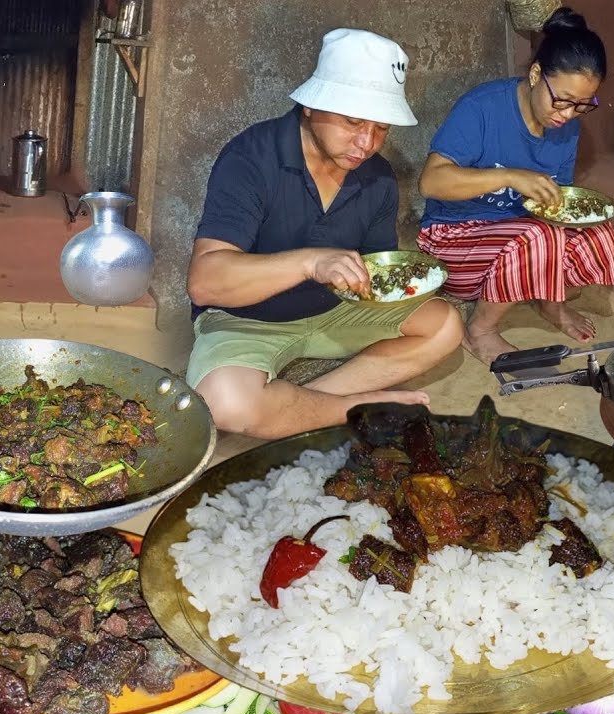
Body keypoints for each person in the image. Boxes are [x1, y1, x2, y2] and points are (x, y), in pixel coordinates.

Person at [185, 29, 463, 440]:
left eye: (381, 128)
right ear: (313, 104)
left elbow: (375, 271)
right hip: (246, 319)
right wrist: (310, 261)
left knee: (446, 326)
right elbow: (205, 284)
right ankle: (353, 407)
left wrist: (407, 279)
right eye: (353, 121)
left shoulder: (378, 178)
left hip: (335, 310)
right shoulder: (251, 158)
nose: (367, 142)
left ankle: (302, 402)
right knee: (226, 402)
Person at [416, 7, 614, 365]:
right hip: (454, 240)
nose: (568, 114)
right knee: (539, 236)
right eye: (563, 100)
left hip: (518, 239)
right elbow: (430, 182)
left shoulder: (564, 126)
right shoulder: (483, 108)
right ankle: (480, 330)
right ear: (537, 73)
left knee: (598, 233)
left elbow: (558, 205)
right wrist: (510, 175)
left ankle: (547, 301)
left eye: (583, 105)